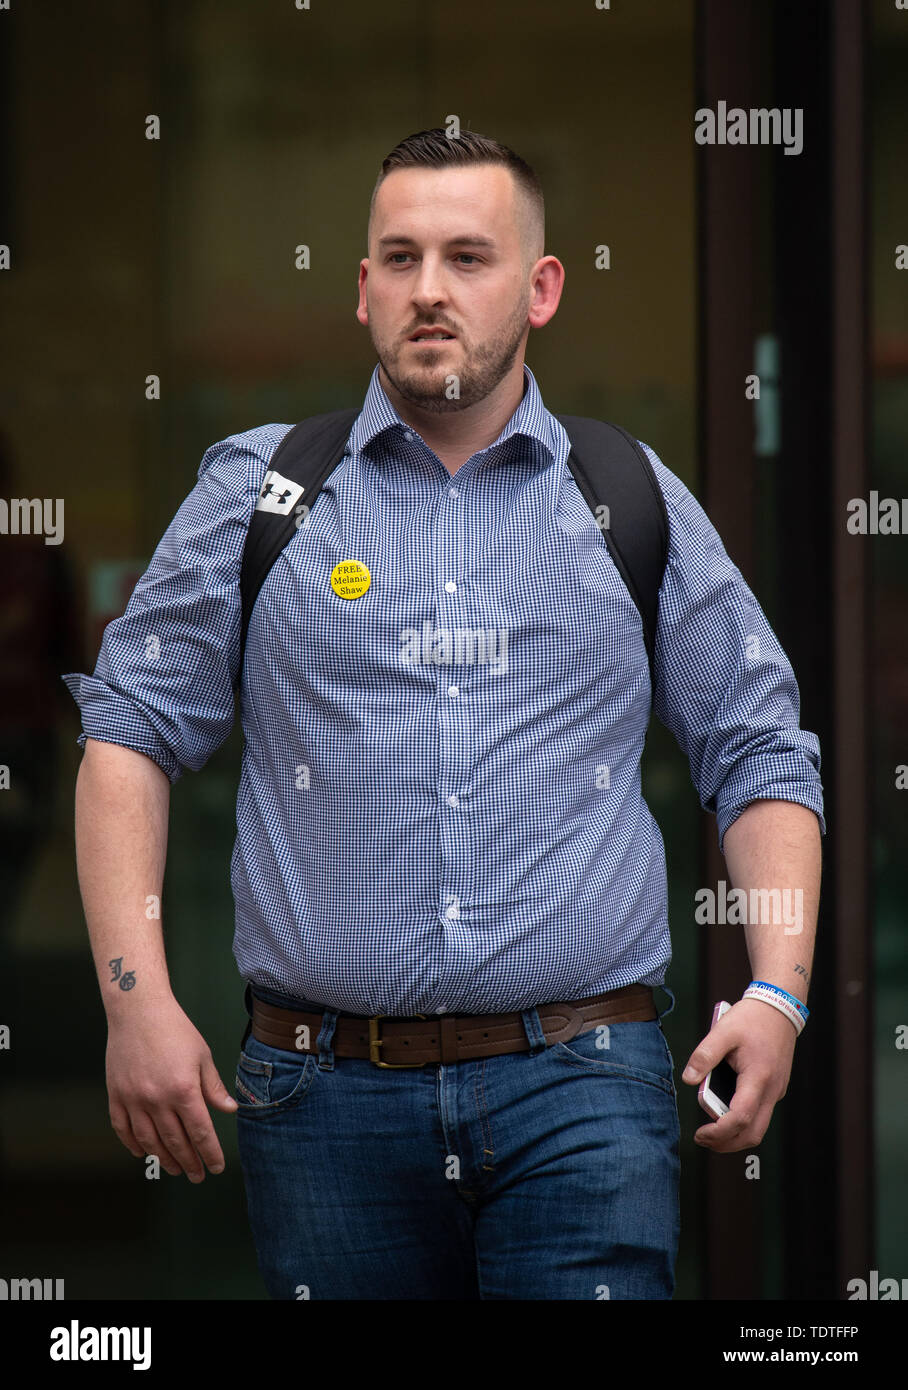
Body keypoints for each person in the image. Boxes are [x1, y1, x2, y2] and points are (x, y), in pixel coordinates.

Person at [64, 127, 824, 1301]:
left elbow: (759, 747)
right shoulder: (261, 494)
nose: (430, 289)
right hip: (320, 1097)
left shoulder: (627, 498)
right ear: (362, 286)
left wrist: (775, 990)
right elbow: (128, 735)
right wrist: (137, 1003)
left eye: (468, 256)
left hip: (583, 1081)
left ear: (539, 285)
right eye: (400, 257)